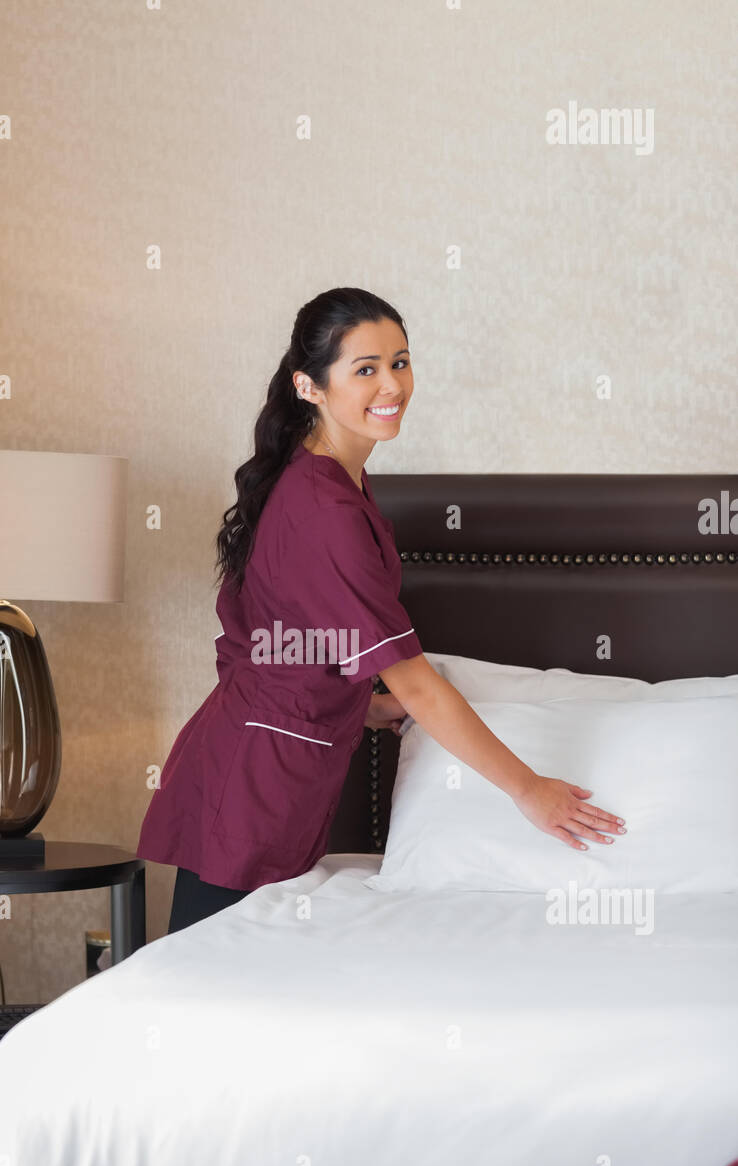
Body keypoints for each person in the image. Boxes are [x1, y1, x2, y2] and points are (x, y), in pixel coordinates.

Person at [137, 287, 625, 932]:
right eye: (364, 369)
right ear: (310, 386)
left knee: (233, 977)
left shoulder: (331, 477)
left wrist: (358, 704)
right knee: (209, 982)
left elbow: (285, 633)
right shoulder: (325, 506)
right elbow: (416, 683)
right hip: (257, 779)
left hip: (268, 760)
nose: (391, 384)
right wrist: (529, 790)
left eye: (399, 361)